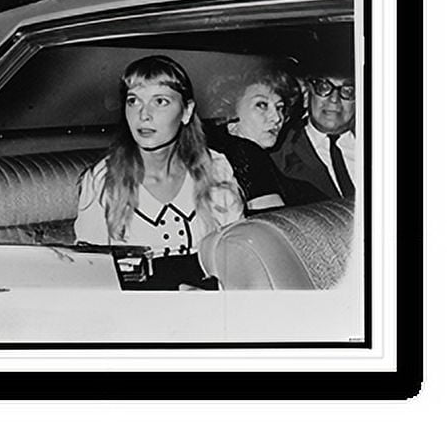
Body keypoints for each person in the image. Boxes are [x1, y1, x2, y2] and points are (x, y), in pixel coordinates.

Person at [74, 55, 244, 288]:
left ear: (186, 111)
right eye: (133, 101)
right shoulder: (103, 179)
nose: (143, 115)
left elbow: (239, 258)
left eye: (160, 101)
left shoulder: (216, 168)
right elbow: (88, 275)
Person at [205, 64, 324, 210]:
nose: (277, 118)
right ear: (231, 110)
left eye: (280, 107)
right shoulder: (246, 152)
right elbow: (273, 226)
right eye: (262, 105)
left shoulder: (235, 154)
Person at [271, 56, 357, 201]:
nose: (334, 99)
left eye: (348, 90)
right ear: (307, 94)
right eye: (324, 87)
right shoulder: (279, 153)